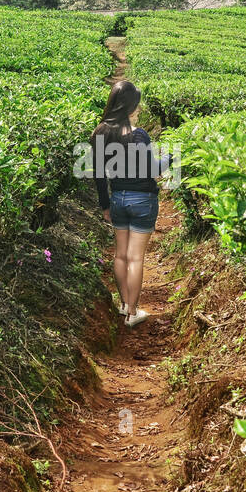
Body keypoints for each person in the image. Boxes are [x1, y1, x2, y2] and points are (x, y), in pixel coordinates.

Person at [92, 80, 167, 327]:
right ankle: (133, 313)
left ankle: (124, 304)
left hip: (117, 199)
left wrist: (105, 206)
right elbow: (153, 169)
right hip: (142, 200)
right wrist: (173, 157)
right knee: (136, 258)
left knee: (121, 255)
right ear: (129, 106)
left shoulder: (100, 133)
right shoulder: (138, 135)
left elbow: (99, 175)